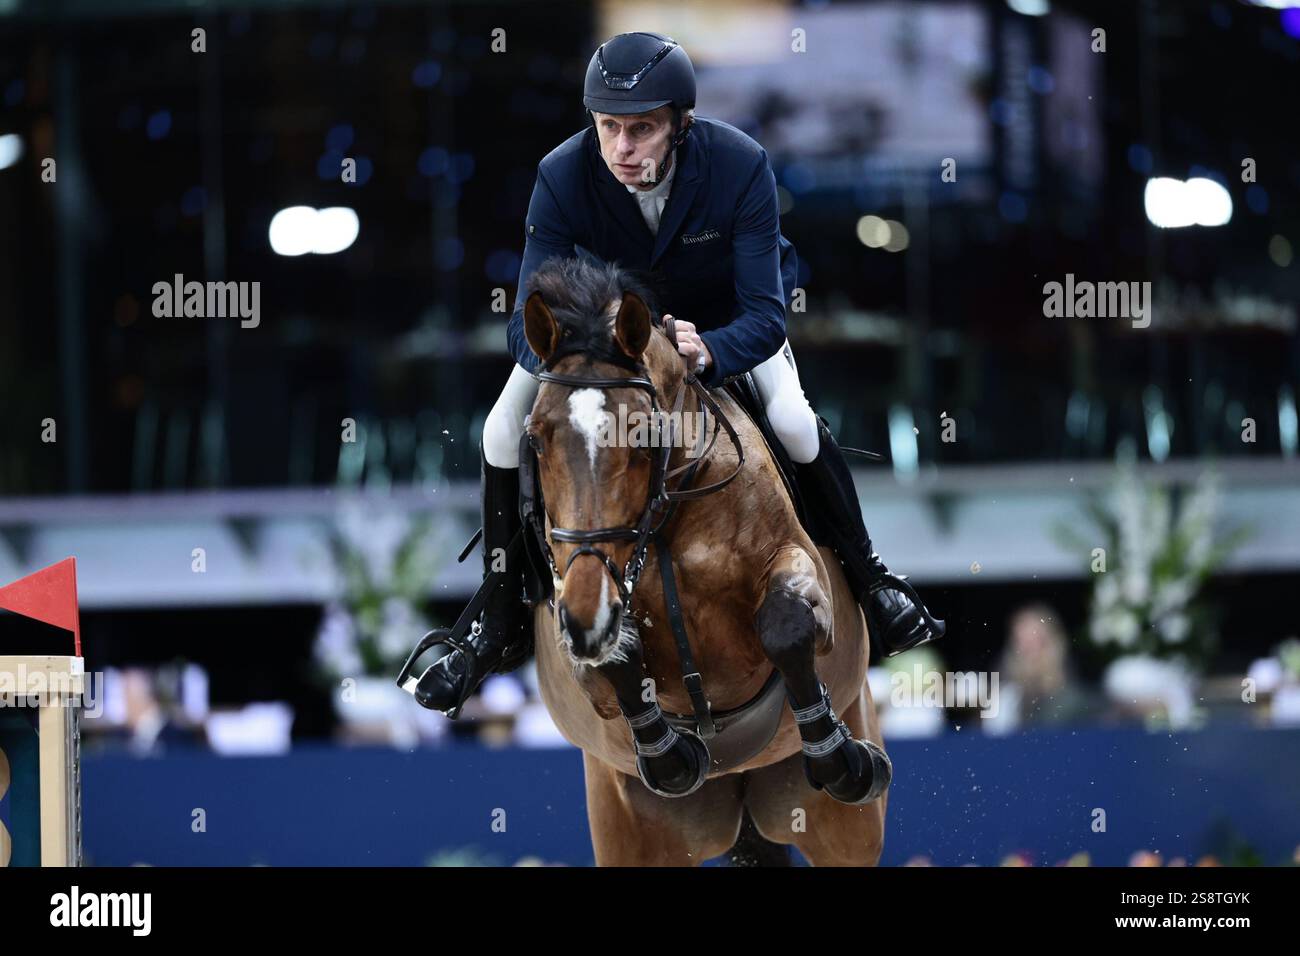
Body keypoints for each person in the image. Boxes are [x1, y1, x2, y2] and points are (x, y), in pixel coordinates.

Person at [417, 31, 944, 715]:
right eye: (609, 128)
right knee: (496, 431)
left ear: (680, 125)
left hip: (721, 329)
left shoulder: (738, 164)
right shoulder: (562, 174)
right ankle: (496, 611)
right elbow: (525, 324)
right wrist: (590, 351)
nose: (622, 148)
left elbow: (767, 314)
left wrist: (705, 351)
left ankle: (870, 578)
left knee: (790, 419)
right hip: (602, 348)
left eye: (642, 129)